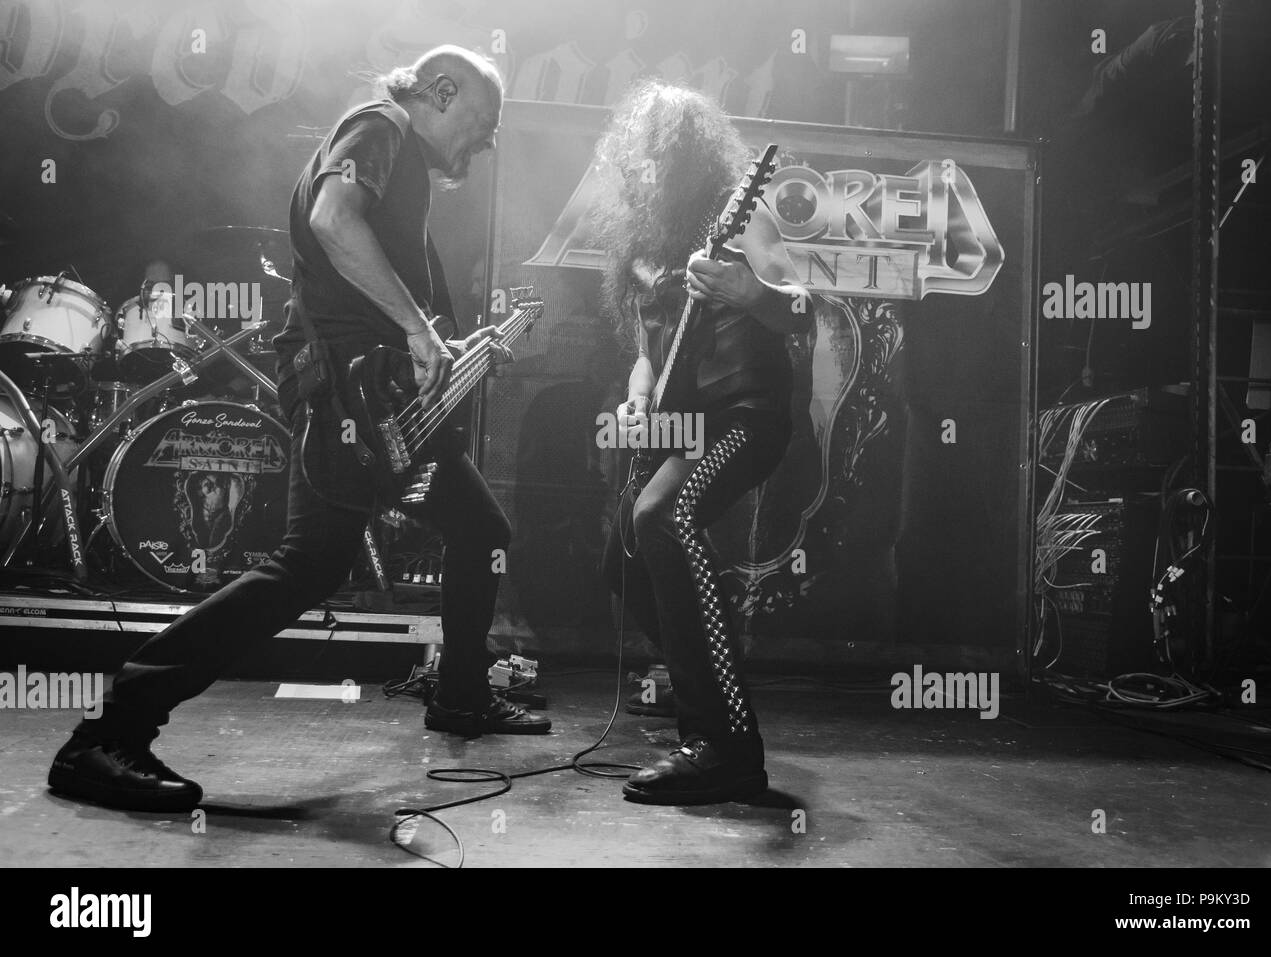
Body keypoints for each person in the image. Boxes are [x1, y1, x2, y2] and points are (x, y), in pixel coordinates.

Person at [48, 45, 549, 814]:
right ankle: (106, 735)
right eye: (482, 123)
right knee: (305, 567)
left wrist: (447, 349)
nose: (484, 144)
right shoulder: (380, 125)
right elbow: (331, 217)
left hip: (383, 407)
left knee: (480, 527)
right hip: (346, 401)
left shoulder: (404, 167)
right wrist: (419, 333)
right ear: (441, 92)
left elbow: (388, 289)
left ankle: (460, 694)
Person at [593, 81, 810, 805]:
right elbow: (646, 350)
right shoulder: (639, 249)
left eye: (660, 156)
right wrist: (636, 396)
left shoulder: (741, 218)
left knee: (665, 515)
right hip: (677, 420)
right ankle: (704, 675)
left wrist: (749, 293)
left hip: (746, 413)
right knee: (623, 553)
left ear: (688, 155)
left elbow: (803, 311)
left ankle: (725, 745)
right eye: (639, 159)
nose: (647, 170)